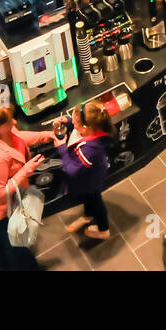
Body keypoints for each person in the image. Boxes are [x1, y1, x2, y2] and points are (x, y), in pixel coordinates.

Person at [0, 102, 55, 271]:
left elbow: (19, 137)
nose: (14, 123)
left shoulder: (4, 132)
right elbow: (0, 194)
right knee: (17, 245)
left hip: (9, 204)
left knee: (5, 242)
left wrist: (47, 135)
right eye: (9, 121)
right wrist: (25, 170)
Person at [56, 101, 114, 242]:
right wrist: (68, 121)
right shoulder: (92, 128)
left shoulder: (89, 150)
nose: (73, 126)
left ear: (85, 127)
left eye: (75, 123)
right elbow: (78, 128)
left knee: (96, 202)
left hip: (90, 181)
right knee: (89, 199)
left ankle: (103, 229)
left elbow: (72, 170)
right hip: (88, 178)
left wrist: (62, 148)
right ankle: (88, 216)